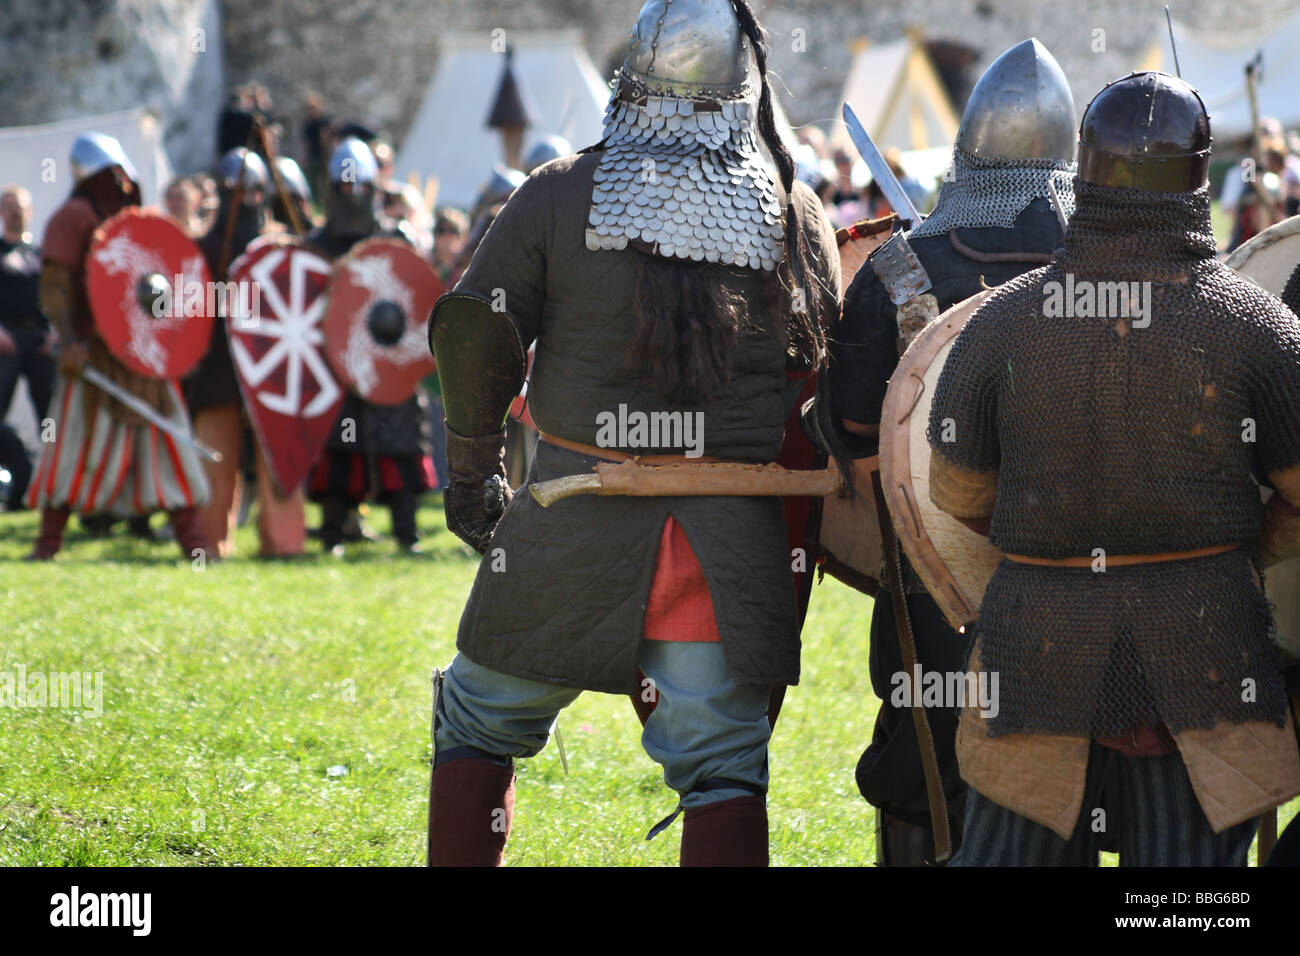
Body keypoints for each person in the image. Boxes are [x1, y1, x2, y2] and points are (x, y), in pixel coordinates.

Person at [425, 0, 840, 867]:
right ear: (743, 83)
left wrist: (473, 476)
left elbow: (476, 335)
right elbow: (818, 383)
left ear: (632, 76)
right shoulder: (796, 212)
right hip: (721, 546)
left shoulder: (558, 191)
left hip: (568, 521)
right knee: (723, 765)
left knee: (475, 719)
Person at [927, 72, 1300, 866]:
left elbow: (954, 492)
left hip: (1041, 638)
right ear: (1197, 178)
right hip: (1205, 638)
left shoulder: (1005, 319)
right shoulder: (1255, 325)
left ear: (1085, 169)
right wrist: (1241, 548)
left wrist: (1043, 538)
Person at [804, 37, 1076, 866]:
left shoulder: (898, 271)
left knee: (920, 752)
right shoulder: (1114, 265)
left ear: (967, 149)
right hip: (1087, 571)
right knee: (1074, 758)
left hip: (933, 581)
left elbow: (851, 437)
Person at [26, 132, 211, 560]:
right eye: (116, 178)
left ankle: (194, 543)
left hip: (143, 356)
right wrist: (69, 342)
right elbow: (54, 286)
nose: (124, 186)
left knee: (171, 448)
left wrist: (174, 343)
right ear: (101, 175)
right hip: (93, 356)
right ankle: (47, 542)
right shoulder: (74, 217)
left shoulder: (136, 220)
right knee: (73, 447)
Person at [306, 137, 433, 555]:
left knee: (398, 443)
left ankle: (406, 532)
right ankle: (333, 532)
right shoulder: (317, 246)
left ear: (374, 190)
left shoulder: (395, 239)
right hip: (337, 360)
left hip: (389, 358)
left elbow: (417, 298)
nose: (352, 194)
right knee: (342, 446)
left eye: (359, 186)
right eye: (344, 188)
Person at [186, 147, 306, 558]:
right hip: (218, 370)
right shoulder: (201, 249)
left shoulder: (280, 248)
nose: (248, 200)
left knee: (280, 461)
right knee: (215, 463)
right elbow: (189, 310)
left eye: (256, 191)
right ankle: (210, 543)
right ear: (223, 193)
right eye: (239, 192)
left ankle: (283, 542)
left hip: (273, 372)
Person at [0, 185, 55, 425]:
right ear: (2, 213)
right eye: (9, 207)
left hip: (40, 340)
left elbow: (57, 296)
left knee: (50, 413)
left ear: (29, 211)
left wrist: (55, 333)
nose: (15, 212)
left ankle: (53, 461)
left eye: (19, 207)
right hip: (6, 339)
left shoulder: (42, 254)